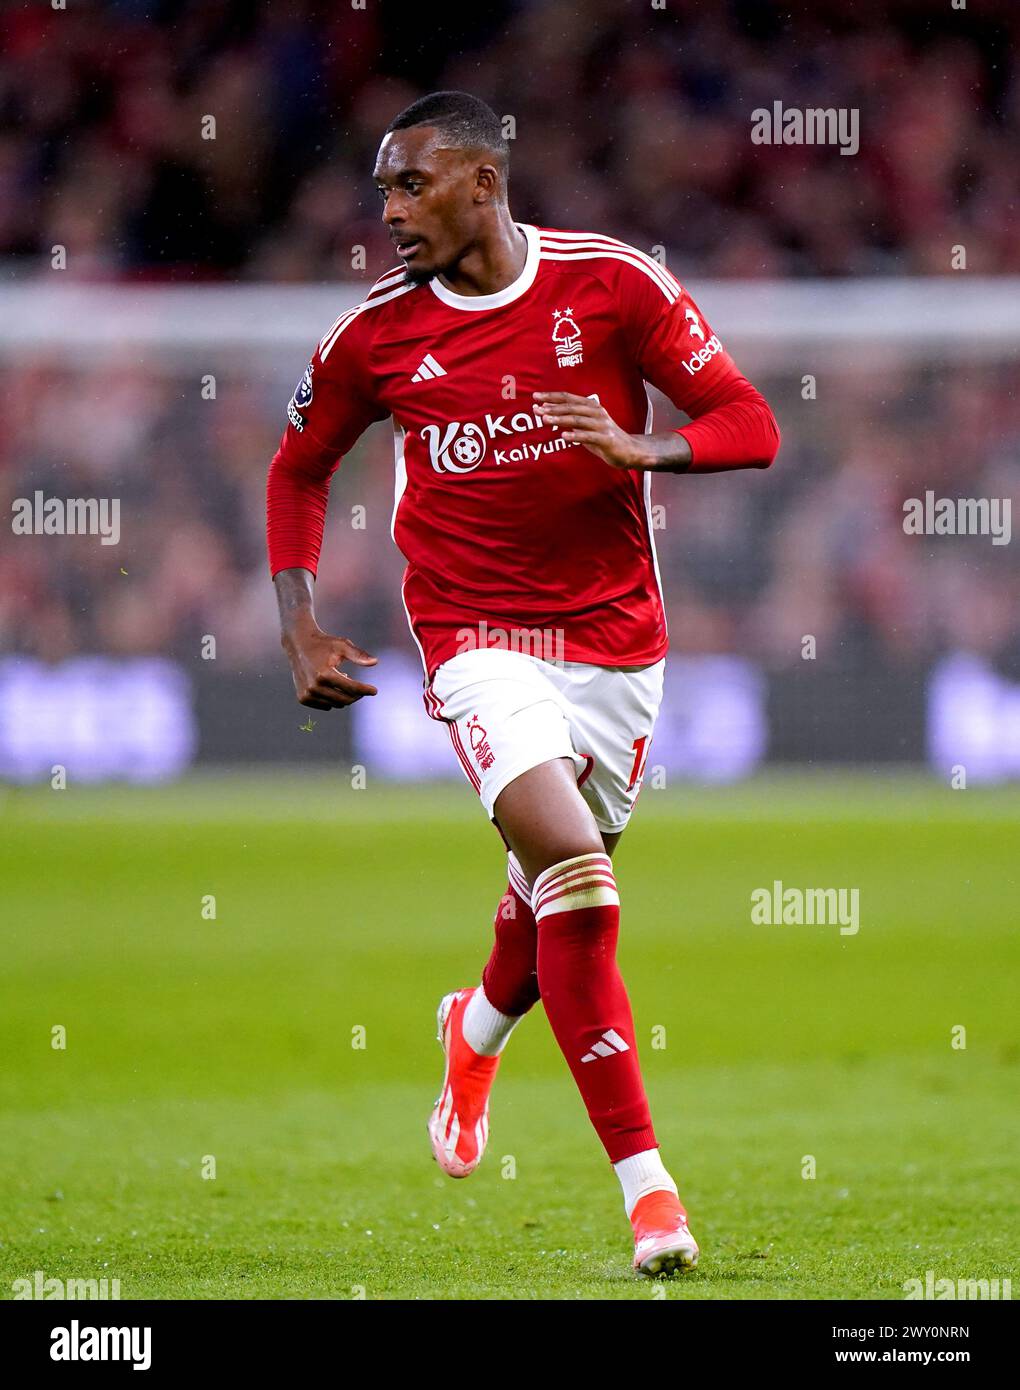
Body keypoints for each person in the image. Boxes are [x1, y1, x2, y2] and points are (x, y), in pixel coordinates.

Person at [266, 91, 780, 1277]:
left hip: (618, 644)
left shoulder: (614, 289)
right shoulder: (373, 337)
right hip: (475, 637)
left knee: (552, 887)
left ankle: (476, 1022)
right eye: (383, 189)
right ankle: (651, 1195)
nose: (389, 211)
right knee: (579, 883)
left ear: (485, 184)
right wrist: (297, 623)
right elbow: (299, 468)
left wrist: (648, 449)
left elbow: (750, 422)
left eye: (412, 185)